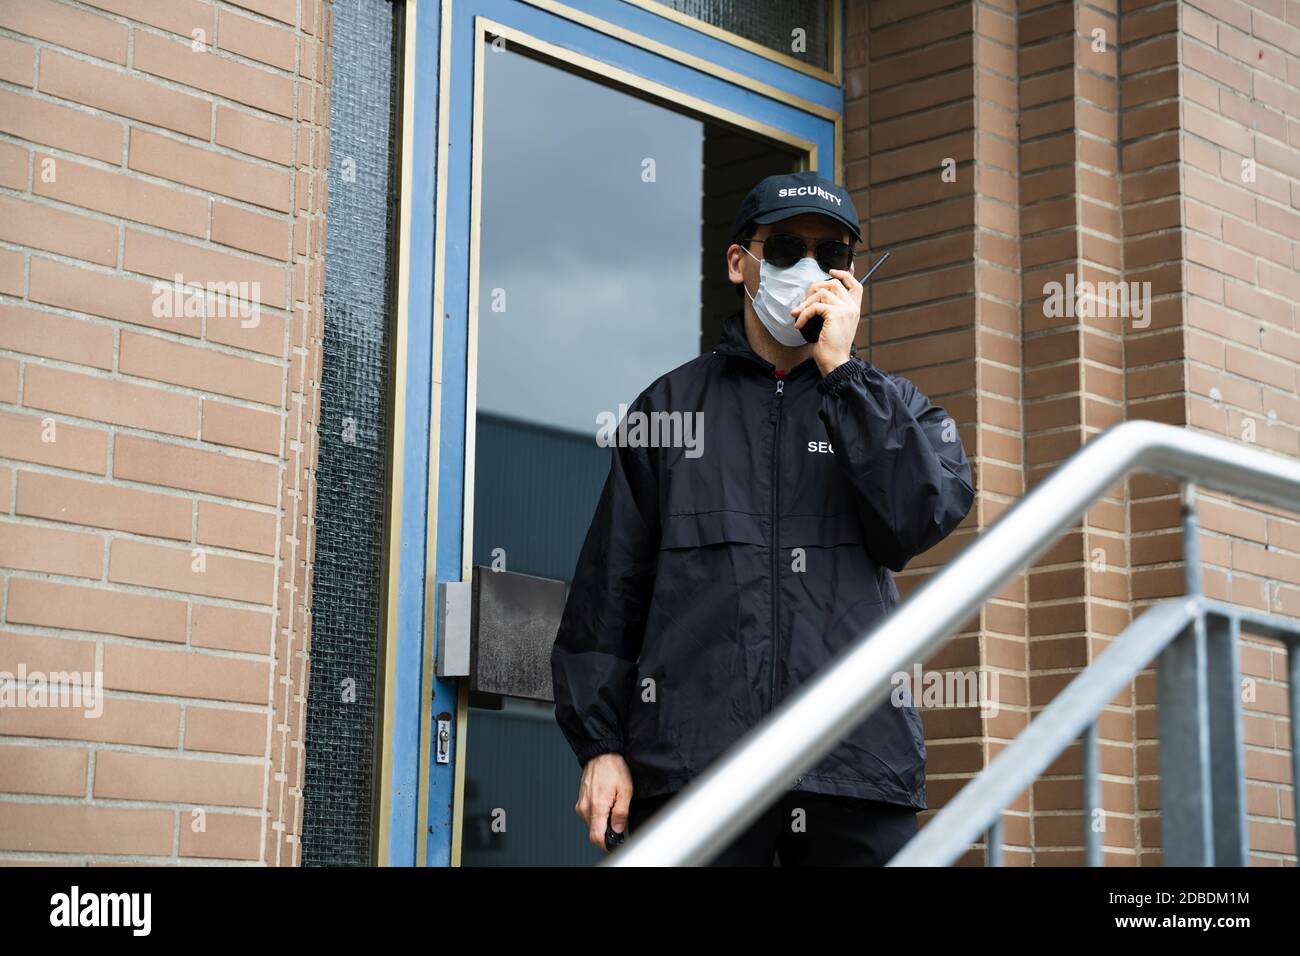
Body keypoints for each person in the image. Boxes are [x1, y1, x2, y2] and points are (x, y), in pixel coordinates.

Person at [550, 170, 975, 865]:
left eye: (832, 254)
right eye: (785, 248)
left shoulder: (888, 405)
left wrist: (842, 378)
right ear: (739, 262)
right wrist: (601, 745)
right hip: (698, 775)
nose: (809, 268)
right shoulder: (669, 410)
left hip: (853, 774)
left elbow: (916, 517)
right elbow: (608, 597)